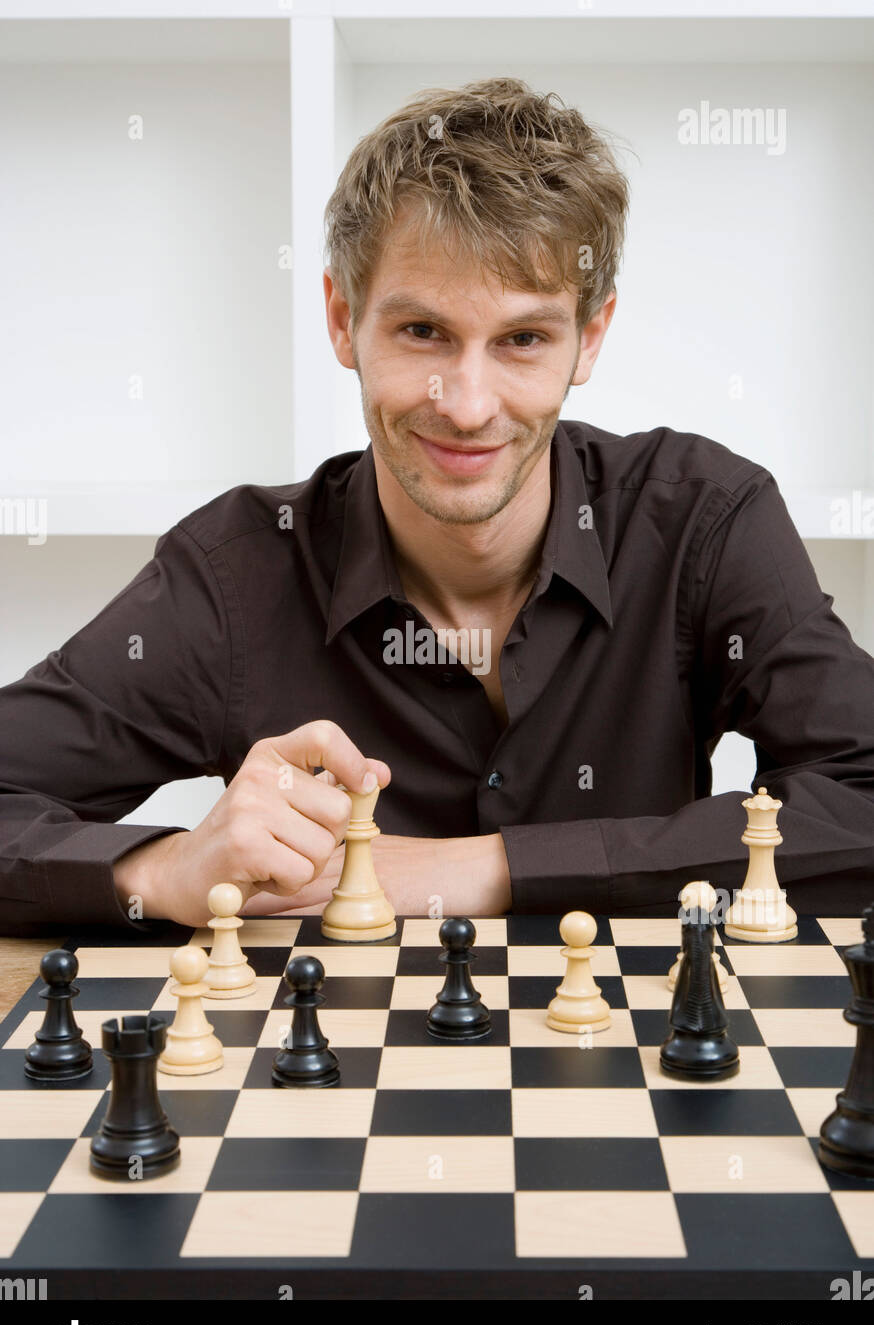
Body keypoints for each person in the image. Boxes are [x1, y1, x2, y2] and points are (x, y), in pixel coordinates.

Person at [1, 77, 872, 934]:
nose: (465, 402)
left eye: (523, 340)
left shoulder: (704, 522)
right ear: (343, 318)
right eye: (422, 332)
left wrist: (475, 868)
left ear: (590, 338)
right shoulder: (235, 575)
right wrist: (165, 870)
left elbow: (862, 795)